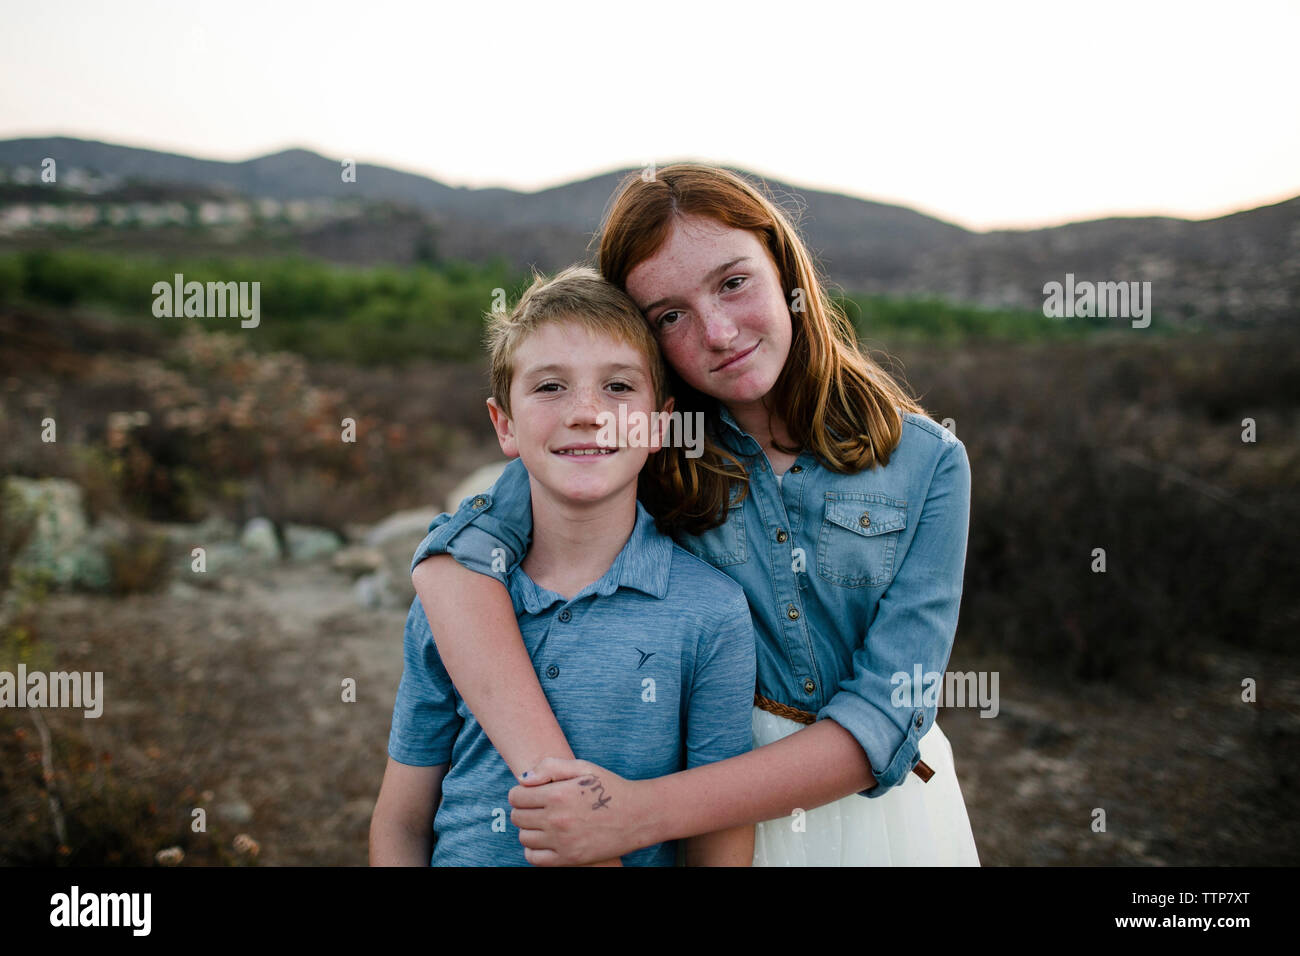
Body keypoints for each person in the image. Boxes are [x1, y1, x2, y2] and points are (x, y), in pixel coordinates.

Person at [410, 164, 980, 866]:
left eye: (733, 282)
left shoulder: (927, 462)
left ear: (784, 268)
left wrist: (631, 815)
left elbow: (891, 710)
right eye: (669, 315)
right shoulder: (647, 442)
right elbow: (456, 557)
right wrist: (574, 792)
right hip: (692, 781)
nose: (717, 331)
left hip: (853, 814)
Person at [370, 265, 757, 866]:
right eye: (550, 387)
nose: (586, 413)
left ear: (660, 425)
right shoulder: (454, 602)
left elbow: (720, 833)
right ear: (505, 424)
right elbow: (400, 822)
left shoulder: (711, 612)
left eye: (620, 388)